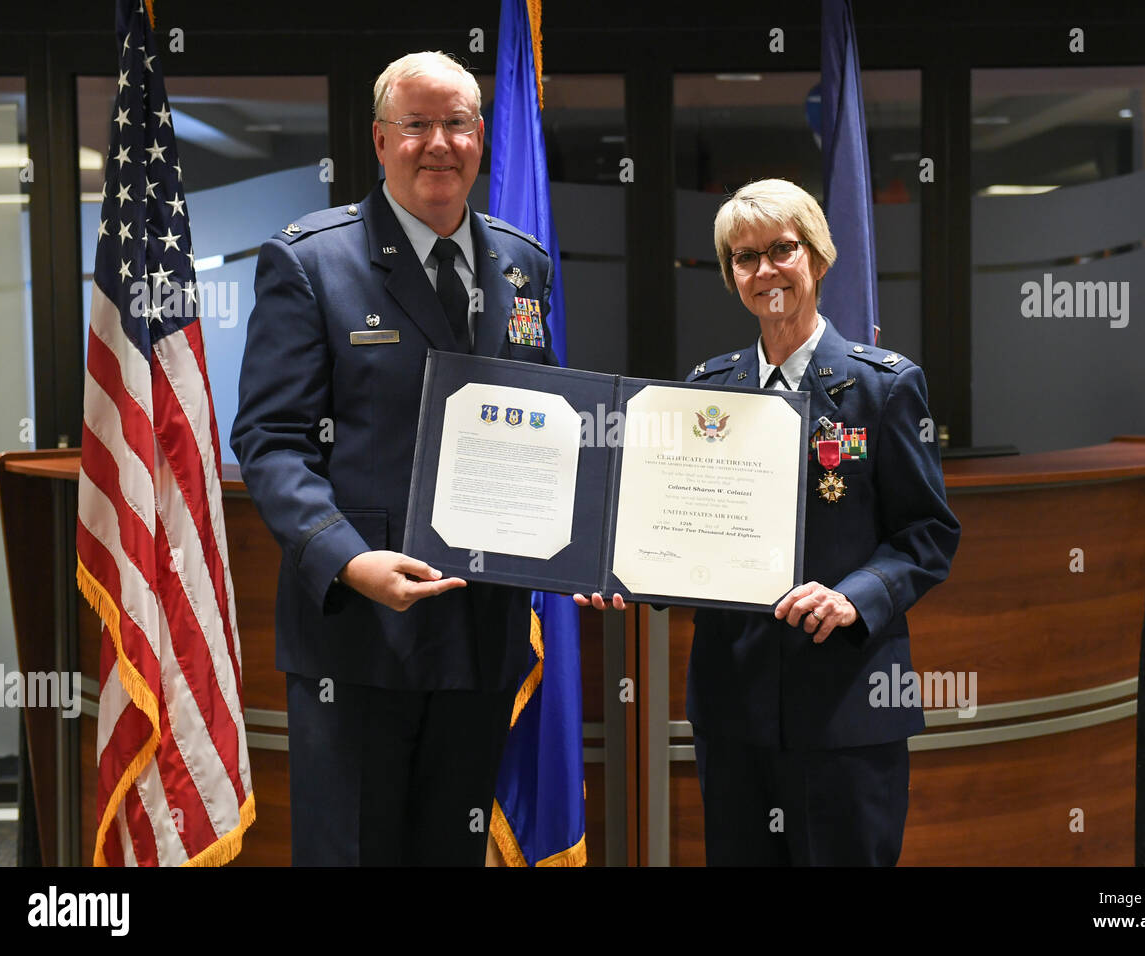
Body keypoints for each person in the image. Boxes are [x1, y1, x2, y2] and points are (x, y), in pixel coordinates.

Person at [230, 51, 557, 866]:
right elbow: (270, 444)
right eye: (416, 125)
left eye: (456, 123)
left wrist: (592, 546)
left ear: (480, 137)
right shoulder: (310, 262)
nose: (437, 143)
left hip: (480, 631)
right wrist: (348, 561)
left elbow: (548, 431)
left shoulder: (522, 264)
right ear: (380, 141)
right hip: (359, 636)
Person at [582, 178, 959, 864]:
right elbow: (681, 534)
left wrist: (854, 596)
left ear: (816, 256)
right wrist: (625, 575)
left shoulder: (884, 386)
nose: (765, 271)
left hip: (846, 703)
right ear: (731, 276)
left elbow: (929, 536)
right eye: (744, 257)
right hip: (735, 713)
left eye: (780, 249)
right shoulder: (705, 391)